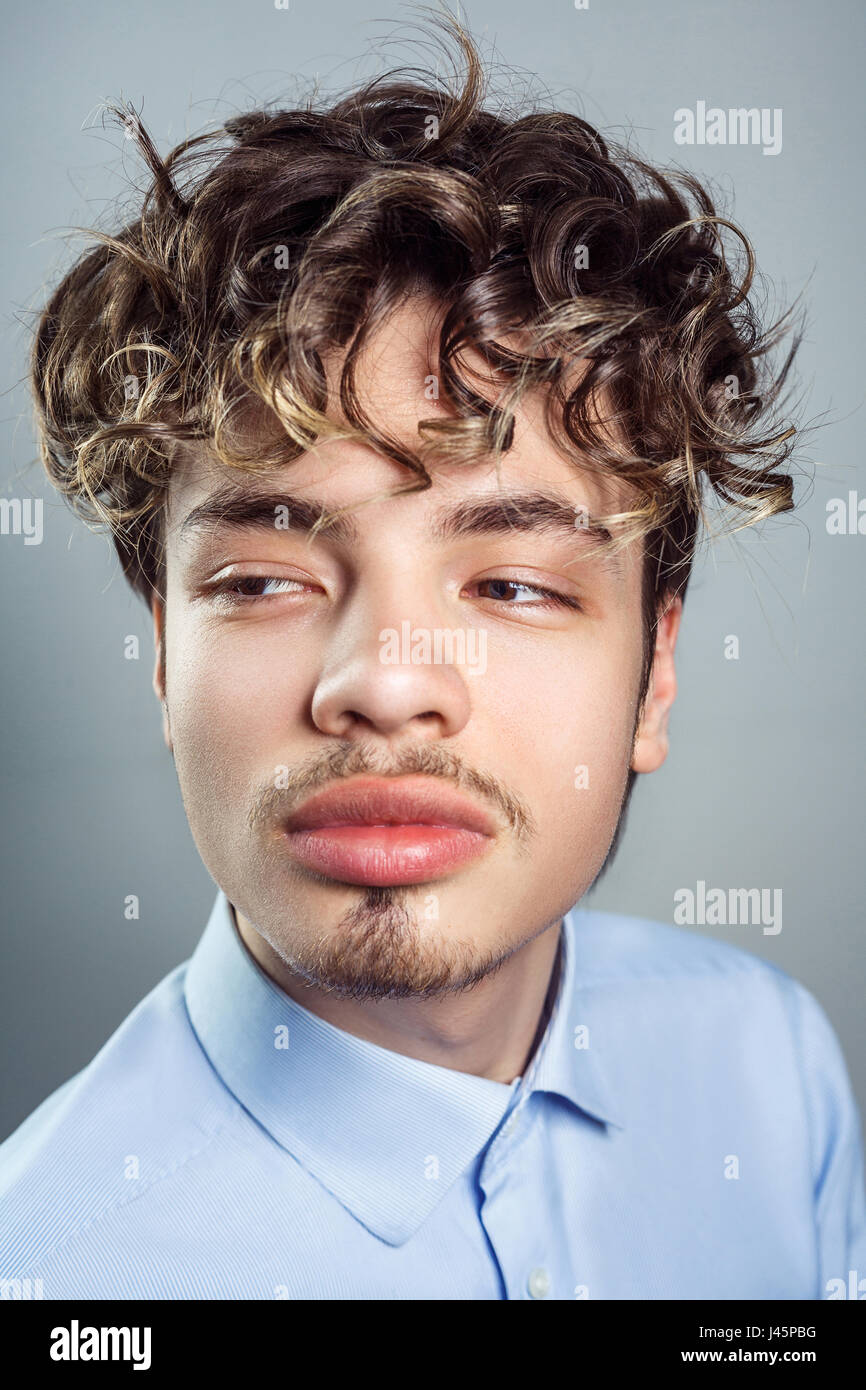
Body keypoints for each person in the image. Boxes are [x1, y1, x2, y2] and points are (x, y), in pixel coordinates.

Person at [2, 17, 863, 1300]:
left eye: (512, 582)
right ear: (166, 658)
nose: (386, 677)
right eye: (263, 581)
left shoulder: (768, 1063)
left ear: (656, 671)